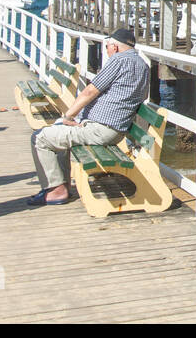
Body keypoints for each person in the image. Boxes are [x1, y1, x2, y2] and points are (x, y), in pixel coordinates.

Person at [28, 28, 151, 207]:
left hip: (101, 130)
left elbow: (90, 90)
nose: (107, 51)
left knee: (40, 138)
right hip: (115, 129)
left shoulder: (118, 60)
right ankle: (59, 186)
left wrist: (68, 116)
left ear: (115, 47)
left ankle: (56, 190)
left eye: (107, 47)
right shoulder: (143, 65)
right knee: (59, 135)